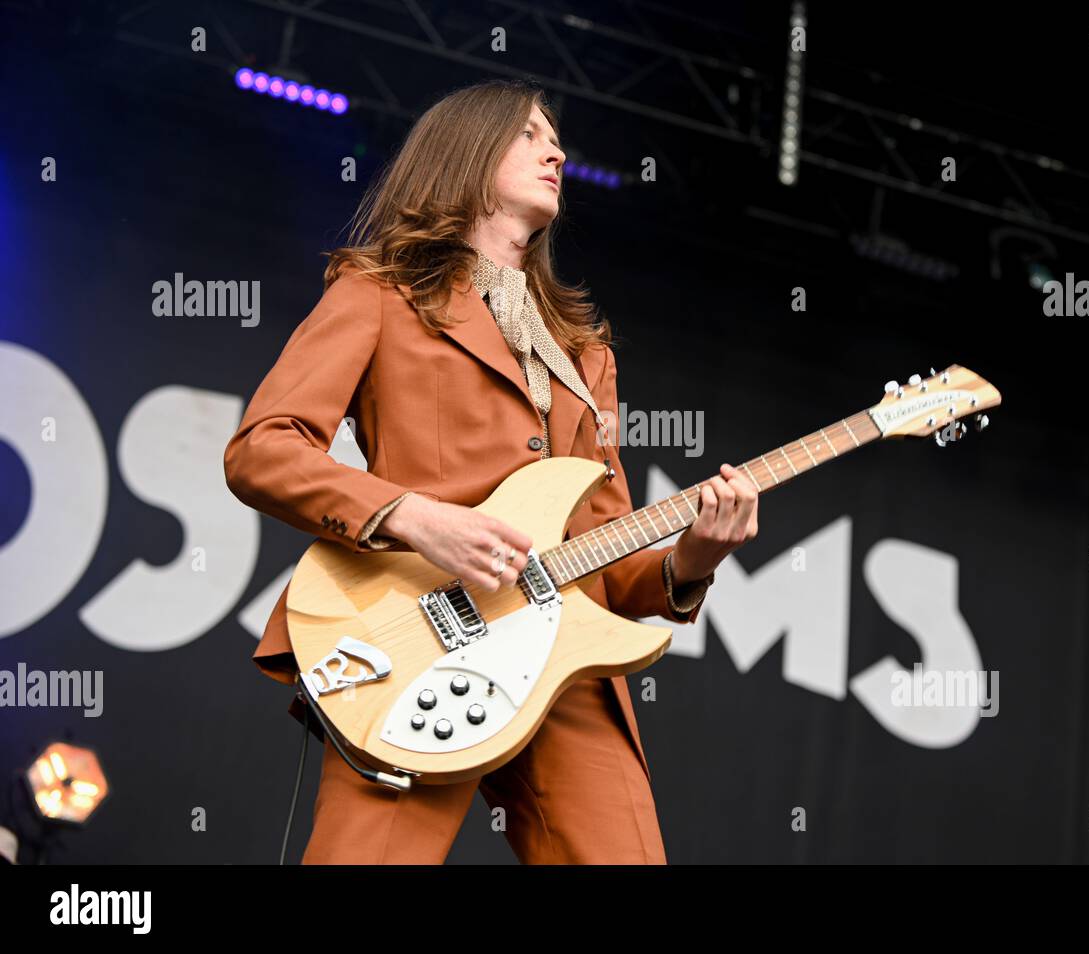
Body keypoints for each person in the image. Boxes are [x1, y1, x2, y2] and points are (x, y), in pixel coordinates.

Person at [223, 79, 759, 864]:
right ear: (468, 152)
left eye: (558, 138)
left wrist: (694, 560)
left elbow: (608, 554)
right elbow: (262, 448)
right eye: (532, 134)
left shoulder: (588, 356)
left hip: (566, 669)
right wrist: (416, 517)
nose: (559, 151)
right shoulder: (380, 292)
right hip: (412, 638)